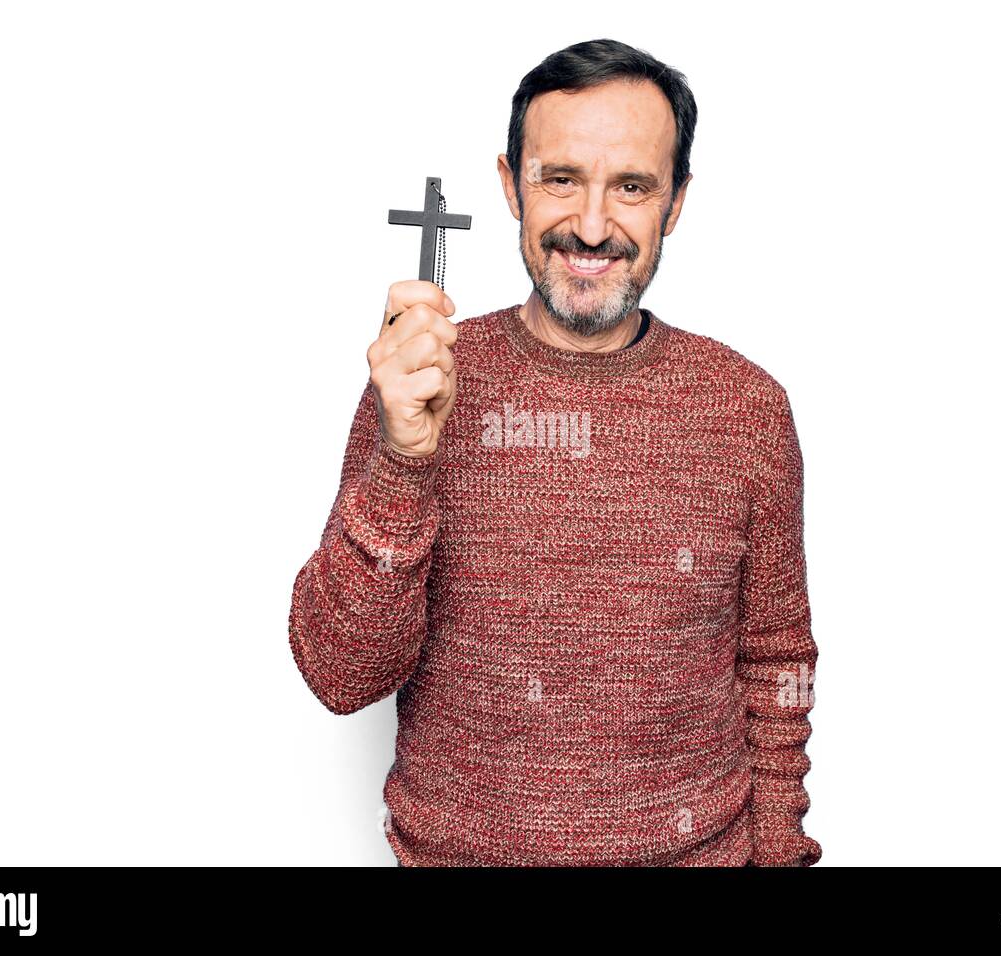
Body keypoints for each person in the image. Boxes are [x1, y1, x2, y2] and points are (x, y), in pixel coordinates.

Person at [289, 37, 822, 867]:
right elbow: (340, 674)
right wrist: (404, 463)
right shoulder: (421, 384)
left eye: (633, 187)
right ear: (511, 184)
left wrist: (781, 856)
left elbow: (776, 663)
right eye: (560, 179)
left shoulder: (747, 409)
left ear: (675, 202)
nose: (592, 226)